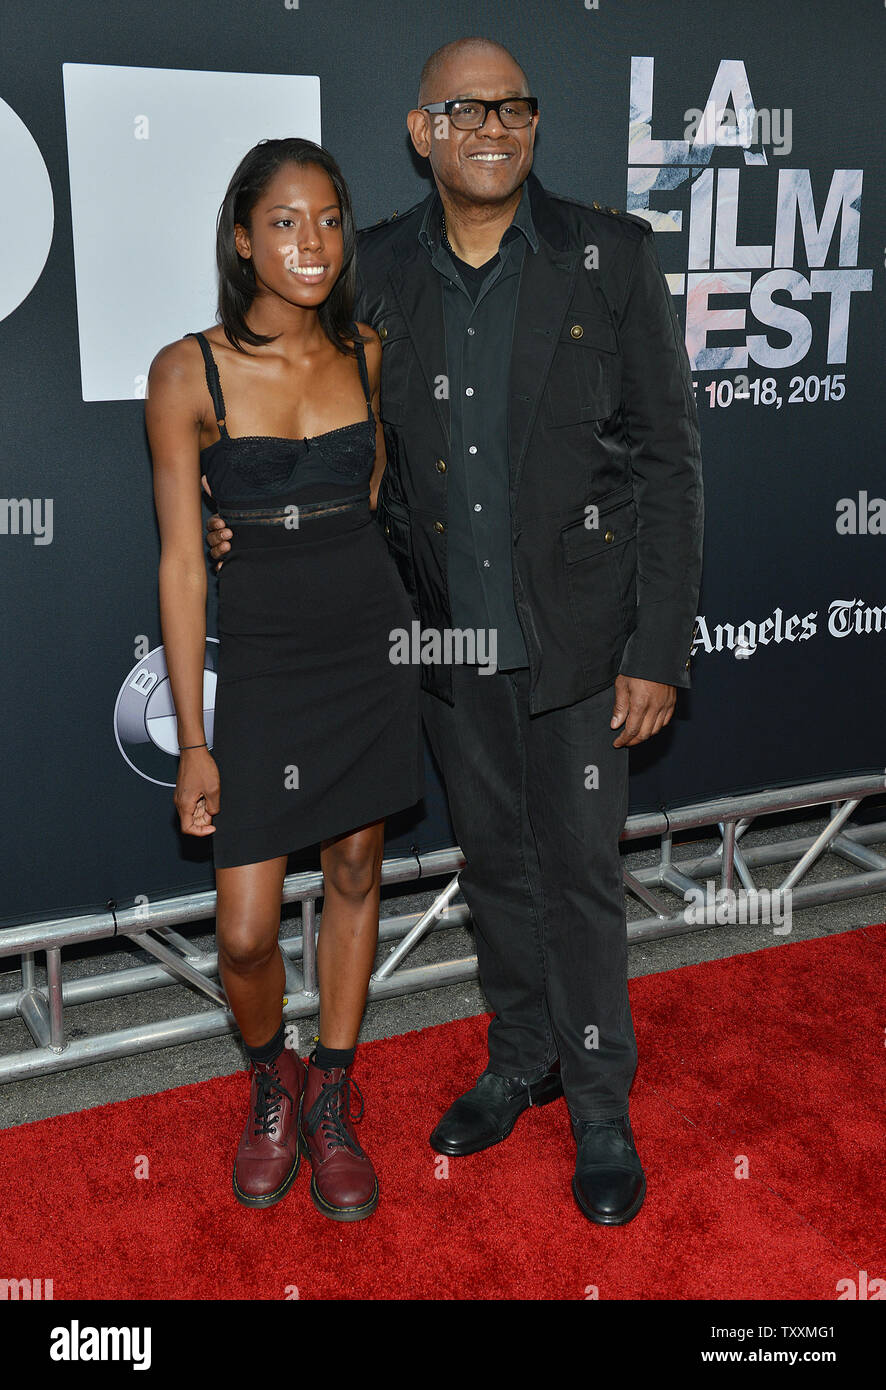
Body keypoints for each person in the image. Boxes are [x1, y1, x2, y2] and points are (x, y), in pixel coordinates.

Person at [208, 37, 703, 1227]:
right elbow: (303, 422)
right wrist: (245, 522)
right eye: (465, 110)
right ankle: (522, 1056)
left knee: (579, 877)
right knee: (494, 868)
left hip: (583, 642)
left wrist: (656, 647)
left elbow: (667, 463)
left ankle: (596, 1106)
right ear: (421, 132)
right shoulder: (371, 268)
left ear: (533, 127)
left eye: (514, 107)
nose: (493, 127)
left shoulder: (609, 256)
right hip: (437, 644)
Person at [147, 137, 423, 1220]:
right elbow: (178, 559)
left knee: (356, 871)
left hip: (367, 646)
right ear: (241, 237)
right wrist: (195, 737)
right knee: (248, 930)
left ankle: (335, 1093)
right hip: (262, 666)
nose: (310, 244)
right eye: (283, 223)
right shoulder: (189, 371)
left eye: (327, 220)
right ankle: (274, 1074)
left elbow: (373, 506)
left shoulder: (369, 353)